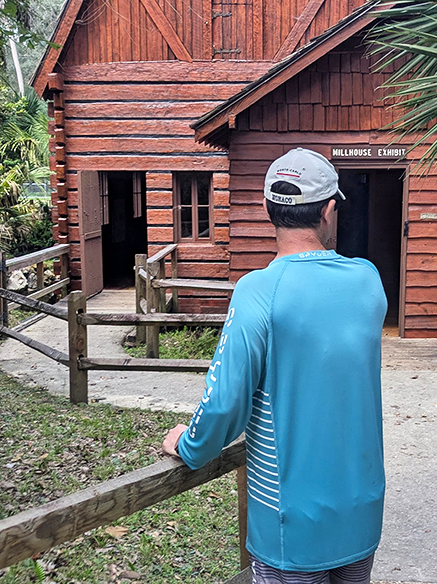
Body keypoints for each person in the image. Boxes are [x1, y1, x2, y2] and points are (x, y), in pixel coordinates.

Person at [163, 147, 386, 584]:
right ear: (328, 210)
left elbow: (224, 402)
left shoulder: (258, 291)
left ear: (267, 209)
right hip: (362, 511)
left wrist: (188, 445)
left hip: (292, 524)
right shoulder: (369, 280)